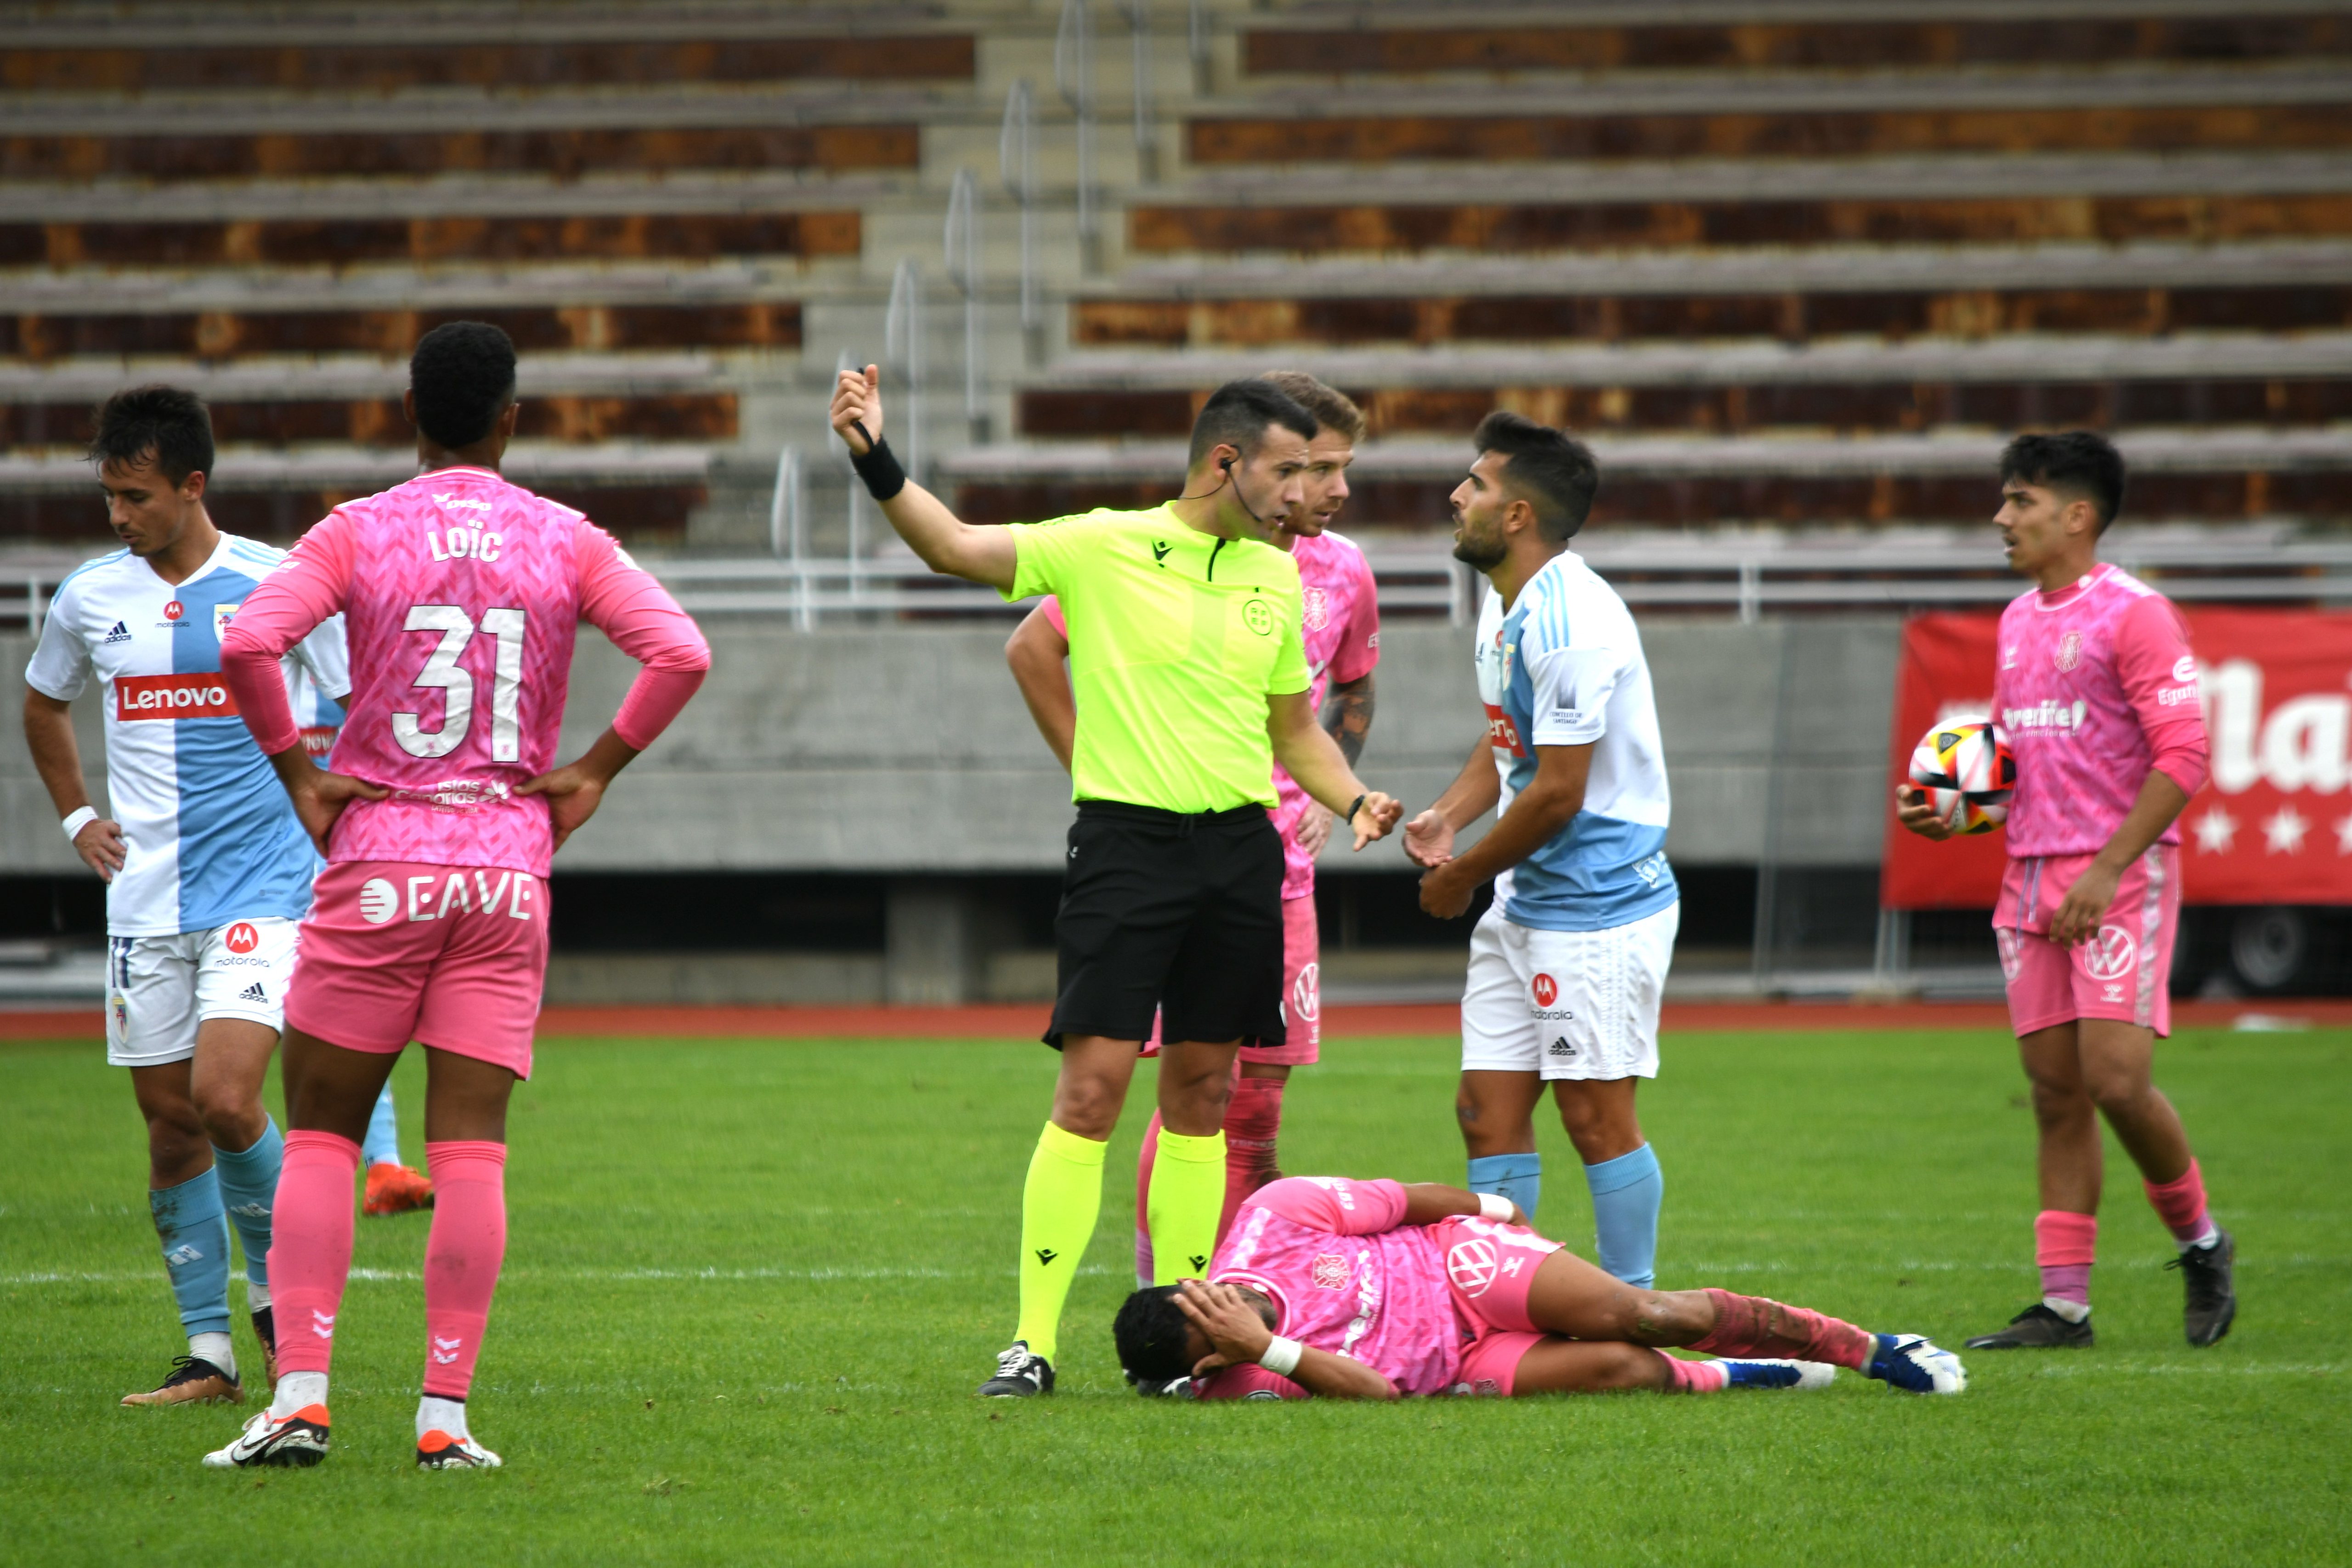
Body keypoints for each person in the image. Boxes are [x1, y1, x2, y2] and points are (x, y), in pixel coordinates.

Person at [827, 366, 1402, 1398]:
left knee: (1202, 1097)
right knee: (1090, 1090)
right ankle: (1031, 1342)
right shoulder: (1099, 543)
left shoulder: (1279, 575)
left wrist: (1356, 799)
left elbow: (1293, 729)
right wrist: (872, 450)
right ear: (1227, 462)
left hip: (1240, 856)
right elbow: (953, 545)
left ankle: (1184, 1341)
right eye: (1287, 470)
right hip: (1127, 850)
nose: (1299, 493)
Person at [201, 321, 711, 1469]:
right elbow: (681, 650)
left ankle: (303, 1400)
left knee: (326, 1132)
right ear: (511, 418)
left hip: (381, 850)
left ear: (412, 414)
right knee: (471, 1149)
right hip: (506, 865)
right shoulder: (562, 537)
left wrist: (298, 771)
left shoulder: (361, 528)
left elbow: (250, 641)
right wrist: (593, 769)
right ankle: (443, 1417)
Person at [1004, 371, 1381, 1282]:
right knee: (1117, 1087)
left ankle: (1206, 1299)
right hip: (1154, 847)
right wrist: (1100, 774)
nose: (1327, 490)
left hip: (1269, 868)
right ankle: (1154, 1297)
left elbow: (1350, 689)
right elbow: (1033, 643)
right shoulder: (1170, 549)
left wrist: (1345, 793)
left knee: (1246, 1102)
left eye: (1338, 469)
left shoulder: (1342, 571)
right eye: (1314, 467)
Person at [22, 385, 352, 1408]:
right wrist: (80, 817)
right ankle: (211, 1352)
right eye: (111, 494)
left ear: (192, 485)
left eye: (137, 494)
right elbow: (42, 701)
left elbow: (349, 704)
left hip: (263, 885)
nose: (119, 514)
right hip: (146, 899)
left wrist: (335, 824)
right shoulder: (89, 595)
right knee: (170, 1122)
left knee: (225, 1097)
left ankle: (281, 1299)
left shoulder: (279, 582)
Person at [1897, 431, 2234, 1351]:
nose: (2000, 518)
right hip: (2029, 876)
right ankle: (2065, 1305)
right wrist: (1950, 808)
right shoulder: (2016, 619)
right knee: (2054, 1093)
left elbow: (2185, 756)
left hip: (2115, 876)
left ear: (2076, 514)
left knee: (2116, 1081)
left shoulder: (2137, 614)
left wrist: (2107, 866)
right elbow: (2013, 760)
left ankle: (2201, 1242)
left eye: (2019, 501)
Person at [1402, 414, 1678, 1291]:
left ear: (1518, 513)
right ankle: (1512, 1299)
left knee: (1596, 1116)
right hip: (1529, 896)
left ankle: (1634, 1306)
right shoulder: (1506, 599)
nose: (1457, 494)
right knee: (1485, 1113)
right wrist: (1449, 814)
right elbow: (1509, 742)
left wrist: (1461, 875)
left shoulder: (1572, 620)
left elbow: (1559, 788)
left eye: (1475, 483)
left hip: (1600, 901)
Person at [1112, 1174, 1966, 1400]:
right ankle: (1750, 1373)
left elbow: (1406, 1200)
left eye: (1213, 1310)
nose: (1229, 1326)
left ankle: (1861, 1346)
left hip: (1459, 1262)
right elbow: (1375, 1393)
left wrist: (1494, 1206)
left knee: (1645, 1314)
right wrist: (1267, 1348)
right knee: (1625, 1372)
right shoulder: (1239, 1377)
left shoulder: (1274, 1216)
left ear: (1199, 1283)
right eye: (1214, 1345)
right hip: (1460, 1359)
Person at [295, 662, 436, 1219]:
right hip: (258, 863)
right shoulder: (243, 617)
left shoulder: (359, 634)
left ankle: (381, 1165)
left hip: (349, 848)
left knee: (356, 1005)